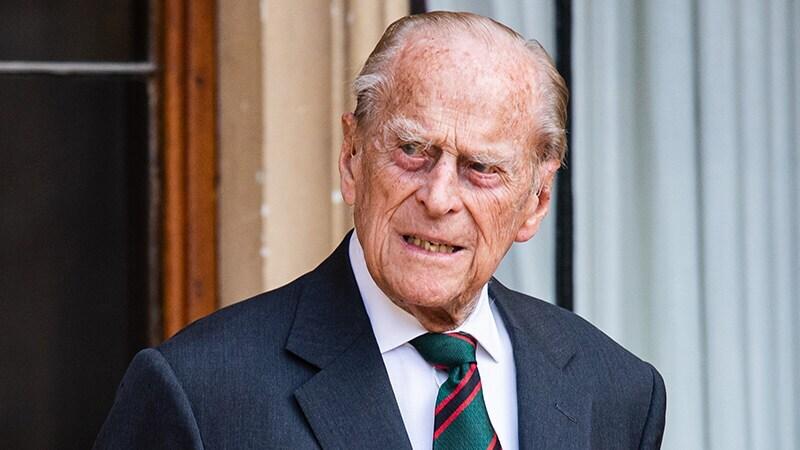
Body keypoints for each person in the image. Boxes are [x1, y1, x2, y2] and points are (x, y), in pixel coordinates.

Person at [95, 11, 665, 450]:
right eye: (413, 150)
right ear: (352, 157)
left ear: (536, 202)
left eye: (481, 168)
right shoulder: (200, 394)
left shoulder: (616, 393)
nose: (439, 197)